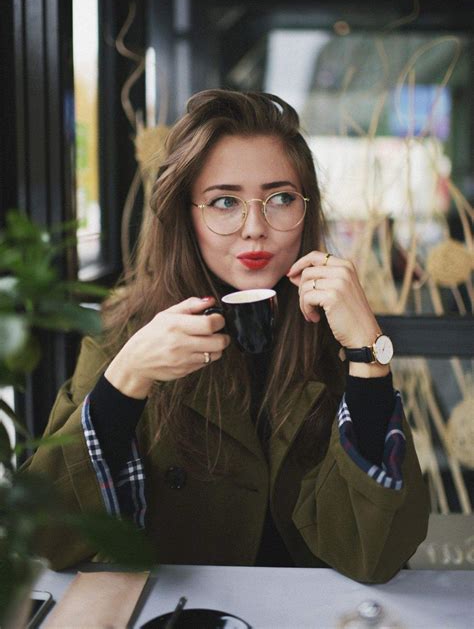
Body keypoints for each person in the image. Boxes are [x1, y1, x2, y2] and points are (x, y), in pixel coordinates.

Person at [25, 89, 429, 582]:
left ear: (307, 209)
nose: (254, 228)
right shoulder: (129, 333)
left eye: (280, 198)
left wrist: (368, 350)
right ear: (186, 216)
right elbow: (47, 540)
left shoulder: (336, 333)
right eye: (223, 202)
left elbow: (380, 557)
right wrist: (126, 378)